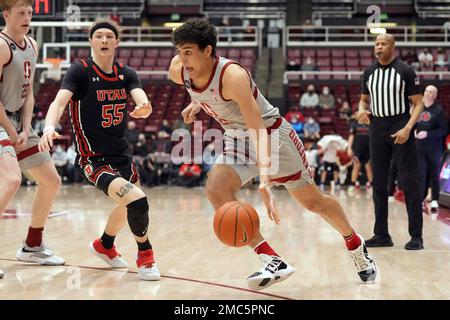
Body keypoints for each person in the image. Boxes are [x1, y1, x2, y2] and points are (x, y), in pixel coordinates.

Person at [169, 18, 377, 290]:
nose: (182, 59)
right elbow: (199, 87)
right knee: (216, 189)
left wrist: (265, 180)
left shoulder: (233, 76)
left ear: (208, 51)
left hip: (272, 135)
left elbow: (257, 127)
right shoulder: (179, 69)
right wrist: (197, 102)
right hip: (236, 137)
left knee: (312, 203)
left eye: (188, 52)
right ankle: (271, 258)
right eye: (179, 52)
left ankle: (354, 242)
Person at [39, 20, 160, 280]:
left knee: (130, 201)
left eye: (109, 36)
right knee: (137, 200)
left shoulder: (126, 73)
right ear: (91, 42)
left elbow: (139, 95)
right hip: (94, 158)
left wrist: (145, 106)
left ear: (117, 42)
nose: (104, 40)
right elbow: (59, 103)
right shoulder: (80, 71)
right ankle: (145, 254)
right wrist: (49, 126)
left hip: (121, 154)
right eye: (99, 36)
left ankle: (104, 245)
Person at [0, 0, 65, 279]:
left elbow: (28, 94)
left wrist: (26, 128)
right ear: (6, 15)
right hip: (1, 120)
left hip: (17, 121)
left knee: (51, 181)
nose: (27, 17)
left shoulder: (33, 44)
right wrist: (13, 132)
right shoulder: (1, 46)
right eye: (21, 13)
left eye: (30, 12)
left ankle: (32, 245)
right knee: (12, 180)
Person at [356, 33, 424, 250]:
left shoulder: (405, 70)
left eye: (383, 44)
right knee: (379, 183)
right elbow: (364, 99)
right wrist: (360, 110)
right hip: (377, 128)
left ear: (392, 48)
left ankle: (416, 236)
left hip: (400, 126)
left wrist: (407, 128)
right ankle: (382, 234)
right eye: (376, 44)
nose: (378, 47)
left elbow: (419, 103)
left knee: (409, 180)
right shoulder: (369, 72)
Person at [415, 85, 447, 214]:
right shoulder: (417, 108)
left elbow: (443, 130)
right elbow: (410, 123)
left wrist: (428, 134)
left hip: (434, 148)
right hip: (419, 148)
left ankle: (434, 199)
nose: (428, 94)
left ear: (435, 95)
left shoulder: (438, 110)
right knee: (420, 174)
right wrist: (412, 132)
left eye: (431, 92)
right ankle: (420, 199)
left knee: (434, 174)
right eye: (427, 91)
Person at [347, 119, 372, 193]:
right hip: (357, 149)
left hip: (369, 149)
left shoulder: (370, 123)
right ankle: (352, 184)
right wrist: (349, 148)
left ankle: (370, 184)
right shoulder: (354, 124)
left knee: (368, 166)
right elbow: (351, 137)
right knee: (356, 166)